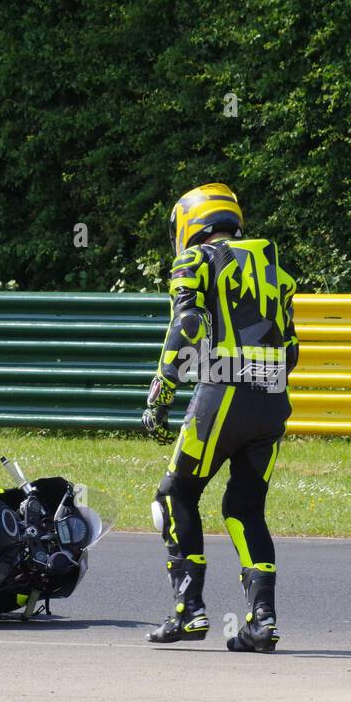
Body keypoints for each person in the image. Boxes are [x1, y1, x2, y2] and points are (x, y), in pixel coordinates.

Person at [141, 183, 298, 652]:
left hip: (223, 391)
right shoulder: (274, 269)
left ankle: (189, 612)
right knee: (245, 509)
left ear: (191, 222)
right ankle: (262, 621)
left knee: (174, 496)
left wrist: (162, 390)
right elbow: (292, 352)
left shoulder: (196, 260)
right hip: (273, 396)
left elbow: (188, 325)